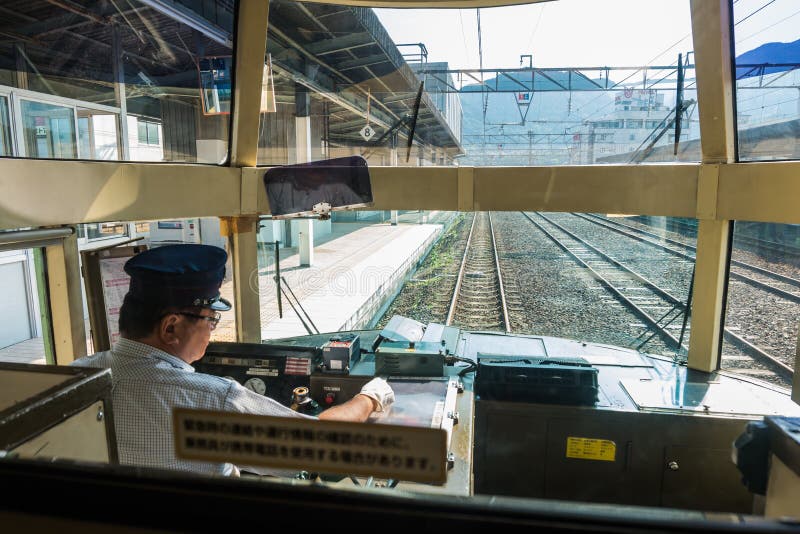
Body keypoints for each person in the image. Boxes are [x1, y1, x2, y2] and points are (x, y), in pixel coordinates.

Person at [72, 243, 394, 476]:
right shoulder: (212, 399)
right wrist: (370, 397)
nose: (212, 329)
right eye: (210, 319)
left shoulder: (70, 379)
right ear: (171, 327)